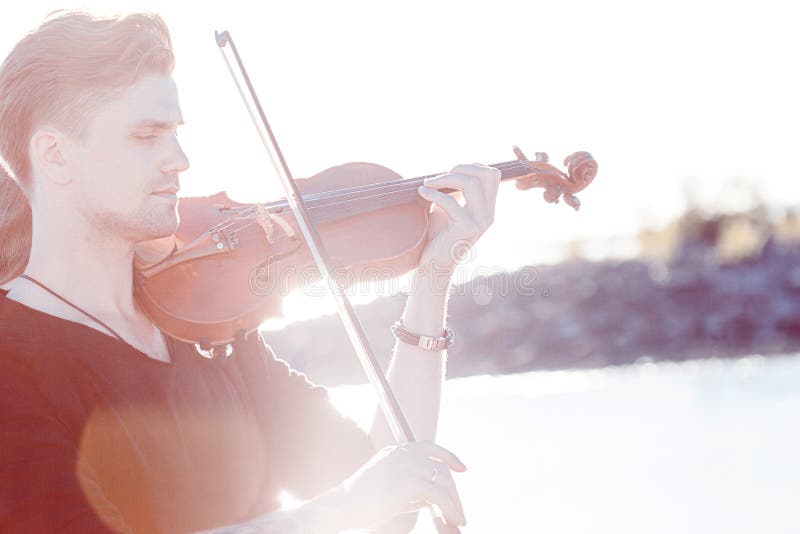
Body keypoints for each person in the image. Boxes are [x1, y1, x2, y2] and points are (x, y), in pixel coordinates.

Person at [0, 9, 500, 533]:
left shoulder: (202, 329)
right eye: (146, 135)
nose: (179, 159)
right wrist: (346, 507)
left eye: (175, 133)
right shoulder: (13, 364)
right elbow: (359, 501)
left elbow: (391, 505)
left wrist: (433, 277)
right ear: (55, 155)